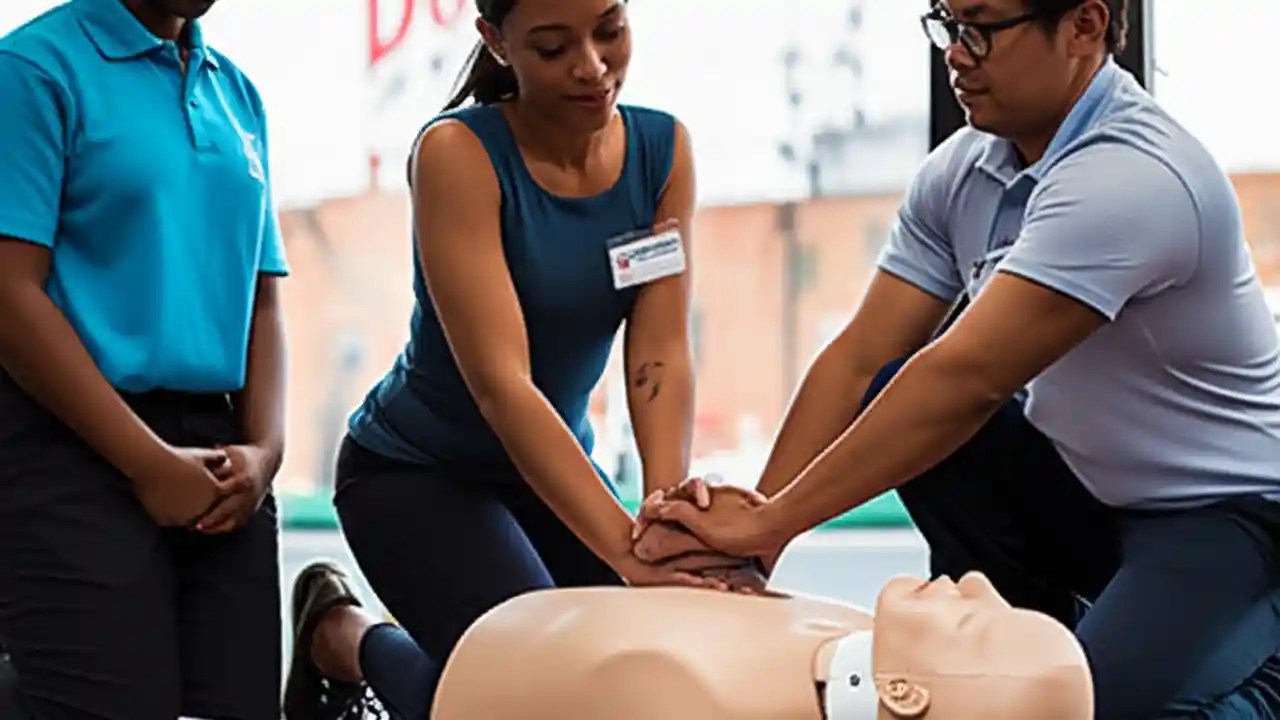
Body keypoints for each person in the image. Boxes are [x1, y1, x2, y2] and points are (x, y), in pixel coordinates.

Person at [638, 1, 1280, 718]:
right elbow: (859, 360)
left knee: (1086, 710)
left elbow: (965, 380)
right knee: (897, 397)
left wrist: (772, 522)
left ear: (1085, 27)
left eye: (981, 29)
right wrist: (753, 549)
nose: (957, 53)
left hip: (1230, 515)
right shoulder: (962, 172)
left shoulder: (1135, 178)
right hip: (1089, 495)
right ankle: (1057, 632)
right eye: (946, 23)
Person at [283, 0, 707, 717]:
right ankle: (341, 635)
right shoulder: (457, 152)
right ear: (496, 41)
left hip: (550, 474)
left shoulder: (663, 151)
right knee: (530, 692)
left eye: (610, 30)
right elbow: (502, 387)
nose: (593, 67)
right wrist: (628, 555)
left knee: (636, 674)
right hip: (414, 474)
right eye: (552, 47)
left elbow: (658, 354)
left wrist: (663, 518)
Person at [0, 0, 288, 717]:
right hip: (68, 442)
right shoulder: (32, 70)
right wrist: (147, 461)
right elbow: (8, 296)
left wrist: (265, 453)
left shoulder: (236, 92)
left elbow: (263, 300)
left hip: (223, 456)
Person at [430, 576, 1094, 720]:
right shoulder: (859, 636)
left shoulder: (689, 698)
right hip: (510, 645)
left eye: (975, 625)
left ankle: (348, 637)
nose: (975, 584)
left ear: (902, 691)